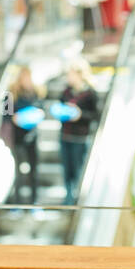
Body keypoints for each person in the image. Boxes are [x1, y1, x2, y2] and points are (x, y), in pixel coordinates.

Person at [56, 60, 100, 205]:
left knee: (77, 169)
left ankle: (77, 197)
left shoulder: (90, 94)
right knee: (67, 168)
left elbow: (95, 115)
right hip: (65, 136)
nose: (69, 77)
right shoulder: (66, 92)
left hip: (80, 138)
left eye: (71, 74)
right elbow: (59, 108)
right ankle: (68, 196)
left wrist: (80, 114)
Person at [0, 65, 44, 206]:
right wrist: (15, 118)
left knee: (34, 170)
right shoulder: (10, 94)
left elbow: (41, 109)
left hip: (32, 136)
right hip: (16, 138)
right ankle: (17, 203)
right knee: (18, 172)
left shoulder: (35, 92)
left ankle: (34, 202)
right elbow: (5, 117)